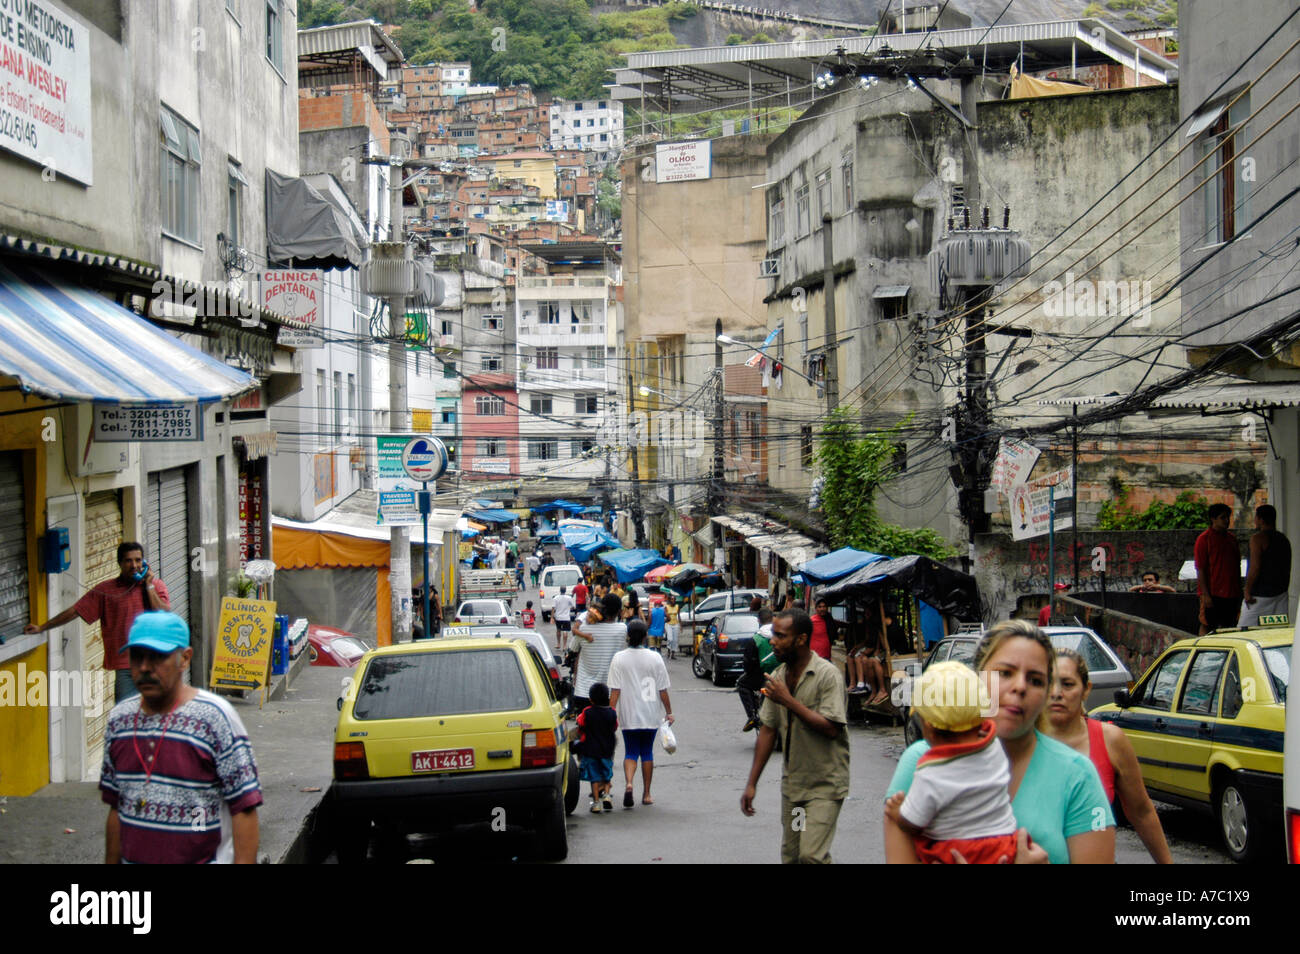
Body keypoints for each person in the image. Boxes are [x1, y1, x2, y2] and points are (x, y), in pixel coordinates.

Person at [884, 620, 1115, 864]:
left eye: (1036, 680)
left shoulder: (1078, 775)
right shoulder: (920, 762)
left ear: (1046, 693)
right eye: (1005, 673)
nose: (1019, 687)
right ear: (977, 679)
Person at [100, 612, 261, 863]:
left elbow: (244, 807)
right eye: (137, 657)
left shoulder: (215, 718)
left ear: (185, 659)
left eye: (157, 657)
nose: (144, 667)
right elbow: (116, 806)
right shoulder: (119, 720)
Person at [740, 609, 851, 864]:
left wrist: (789, 701)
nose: (772, 641)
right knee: (794, 855)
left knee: (812, 856)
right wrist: (752, 783)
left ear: (800, 639)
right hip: (795, 789)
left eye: (780, 635)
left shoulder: (827, 675)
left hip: (825, 787)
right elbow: (767, 730)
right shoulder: (778, 678)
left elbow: (831, 727)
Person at [1044, 648, 1173, 864]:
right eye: (1048, 683)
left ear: (1086, 689)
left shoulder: (1110, 740)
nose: (1057, 693)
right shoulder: (1020, 743)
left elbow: (1141, 812)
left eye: (1067, 684)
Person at [883, 661, 1019, 864]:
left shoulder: (930, 772)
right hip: (1004, 847)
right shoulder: (995, 749)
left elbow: (914, 822)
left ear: (927, 726)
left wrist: (898, 813)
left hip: (957, 852)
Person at [26, 541, 171, 702]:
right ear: (120, 563)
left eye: (138, 560)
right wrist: (42, 627)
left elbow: (163, 613)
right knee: (124, 718)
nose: (134, 565)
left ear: (144, 563)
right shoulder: (106, 590)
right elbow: (75, 611)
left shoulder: (156, 586)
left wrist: (148, 586)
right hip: (126, 667)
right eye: (128, 561)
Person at [608, 619, 674, 807]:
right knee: (646, 752)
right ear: (645, 637)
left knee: (630, 752)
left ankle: (629, 784)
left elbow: (615, 691)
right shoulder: (655, 658)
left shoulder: (619, 658)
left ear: (628, 636)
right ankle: (646, 793)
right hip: (650, 713)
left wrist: (611, 713)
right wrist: (669, 712)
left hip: (629, 714)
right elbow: (663, 690)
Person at [570, 594, 628, 714]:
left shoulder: (584, 629)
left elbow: (574, 651)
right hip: (608, 692)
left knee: (584, 729)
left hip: (583, 690)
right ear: (618, 611)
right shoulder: (622, 629)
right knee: (604, 730)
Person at [1240, 504, 1291, 627]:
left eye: (1256, 517)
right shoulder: (1283, 539)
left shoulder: (1258, 538)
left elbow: (1255, 567)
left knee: (1245, 629)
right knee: (1277, 631)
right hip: (1280, 594)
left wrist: (1247, 590)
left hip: (1259, 595)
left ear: (1261, 519)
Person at [1195, 503, 1242, 634]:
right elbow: (1201, 569)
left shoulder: (1232, 539)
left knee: (1230, 626)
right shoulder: (1204, 539)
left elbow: (1236, 567)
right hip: (1213, 592)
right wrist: (1205, 595)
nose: (1226, 521)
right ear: (1213, 519)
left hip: (1231, 593)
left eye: (1228, 517)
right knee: (1207, 624)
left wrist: (1239, 592)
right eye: (1223, 518)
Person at [574, 682, 618, 813]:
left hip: (591, 749)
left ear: (591, 699)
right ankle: (607, 796)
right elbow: (615, 726)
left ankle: (596, 803)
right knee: (606, 773)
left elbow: (580, 722)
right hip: (607, 749)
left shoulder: (587, 712)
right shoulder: (612, 712)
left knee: (594, 776)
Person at [738, 608, 778, 732]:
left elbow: (748, 665)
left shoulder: (756, 639)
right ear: (773, 618)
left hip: (763, 677)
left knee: (742, 683)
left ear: (759, 621)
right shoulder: (782, 634)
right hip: (784, 675)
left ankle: (752, 716)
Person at [552, 586, 575, 652]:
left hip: (558, 617)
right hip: (566, 617)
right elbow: (573, 606)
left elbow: (553, 608)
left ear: (560, 590)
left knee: (558, 630)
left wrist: (552, 617)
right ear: (565, 590)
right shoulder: (569, 598)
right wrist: (569, 608)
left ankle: (558, 644)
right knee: (565, 631)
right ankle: (564, 646)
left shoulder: (556, 598)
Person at [663, 594, 681, 659]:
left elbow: (679, 616)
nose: (673, 600)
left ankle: (673, 654)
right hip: (669, 624)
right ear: (670, 600)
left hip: (676, 624)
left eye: (674, 599)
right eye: (672, 599)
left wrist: (681, 625)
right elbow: (665, 615)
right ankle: (668, 651)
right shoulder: (666, 607)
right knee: (670, 639)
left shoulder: (677, 606)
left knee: (675, 640)